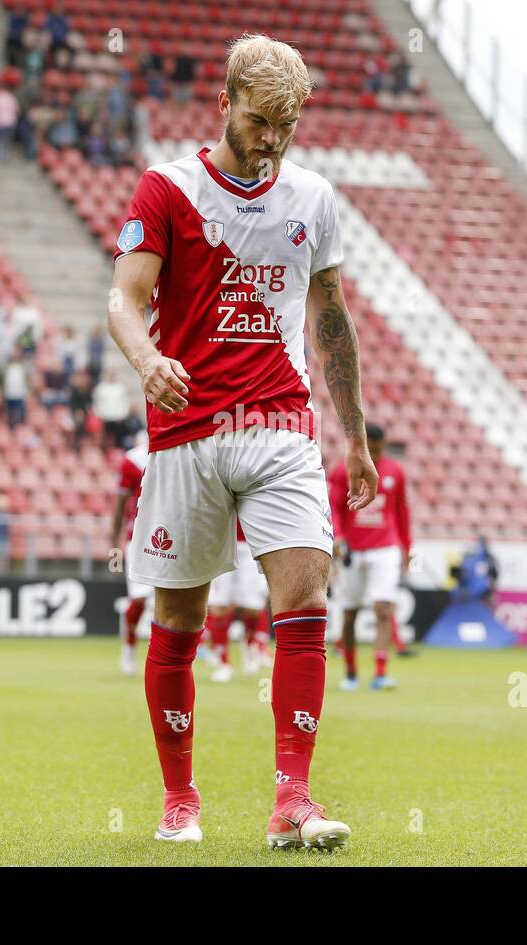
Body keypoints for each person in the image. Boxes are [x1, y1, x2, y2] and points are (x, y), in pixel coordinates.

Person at [107, 34, 376, 849]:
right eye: (260, 122)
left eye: (286, 128)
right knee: (180, 622)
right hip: (186, 431)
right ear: (223, 106)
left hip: (280, 424)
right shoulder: (168, 189)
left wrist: (355, 436)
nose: (271, 140)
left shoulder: (314, 199)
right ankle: (180, 796)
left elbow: (330, 322)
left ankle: (291, 797)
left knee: (305, 594)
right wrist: (148, 357)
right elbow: (123, 297)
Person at [328, 423, 412, 691]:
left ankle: (380, 672)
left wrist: (406, 549)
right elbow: (334, 508)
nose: (374, 456)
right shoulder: (343, 470)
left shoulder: (395, 472)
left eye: (379, 450)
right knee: (350, 614)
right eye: (370, 450)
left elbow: (401, 513)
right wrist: (338, 537)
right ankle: (351, 672)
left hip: (384, 548)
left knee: (383, 609)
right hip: (353, 549)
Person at [203, 522, 272, 681]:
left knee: (253, 607)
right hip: (221, 541)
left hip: (252, 543)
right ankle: (224, 664)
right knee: (220, 606)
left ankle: (251, 648)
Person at [112, 434, 152, 675]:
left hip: (174, 535)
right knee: (140, 598)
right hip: (138, 537)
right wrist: (113, 541)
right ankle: (129, 646)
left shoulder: (183, 451)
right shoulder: (134, 459)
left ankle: (160, 659)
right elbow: (120, 504)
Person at [3, 357, 28, 428]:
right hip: (9, 394)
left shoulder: (22, 368)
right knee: (10, 412)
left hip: (20, 394)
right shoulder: (7, 368)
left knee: (20, 411)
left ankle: (20, 426)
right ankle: (11, 426)